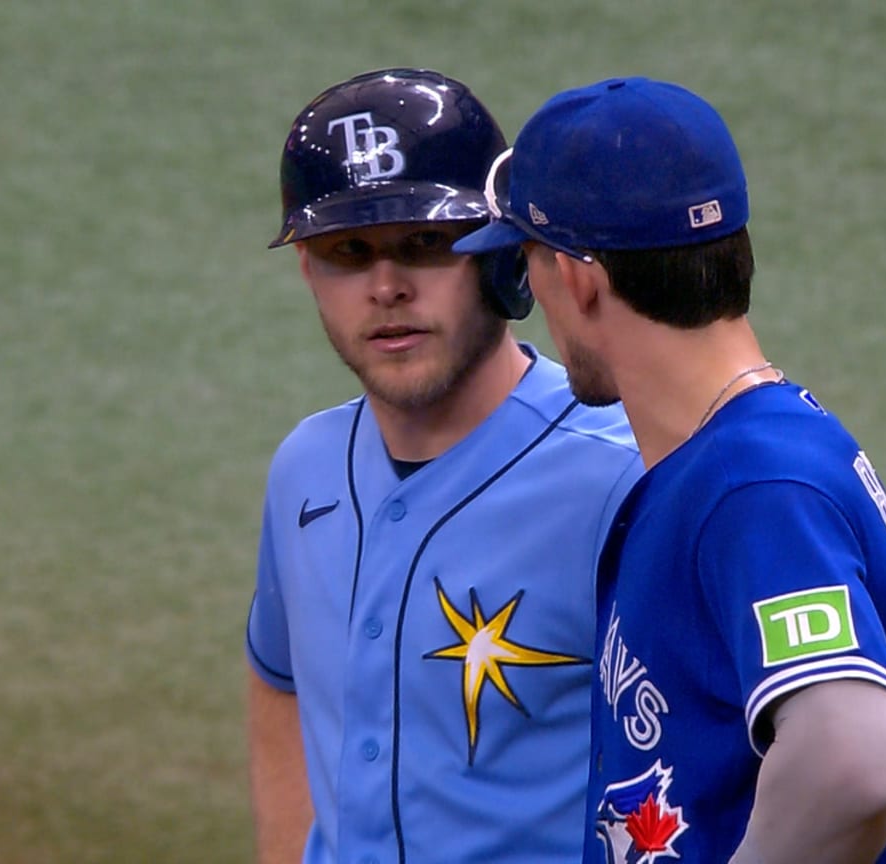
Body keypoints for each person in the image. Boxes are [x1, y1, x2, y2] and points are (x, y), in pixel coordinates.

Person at [454, 77, 886, 864]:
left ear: (577, 278)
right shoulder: (778, 453)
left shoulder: (752, 489)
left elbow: (854, 765)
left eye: (528, 263)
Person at [244, 68, 643, 864]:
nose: (386, 288)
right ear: (307, 272)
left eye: (425, 244)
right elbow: (279, 680)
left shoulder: (624, 479)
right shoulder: (305, 472)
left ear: (501, 255)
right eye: (347, 253)